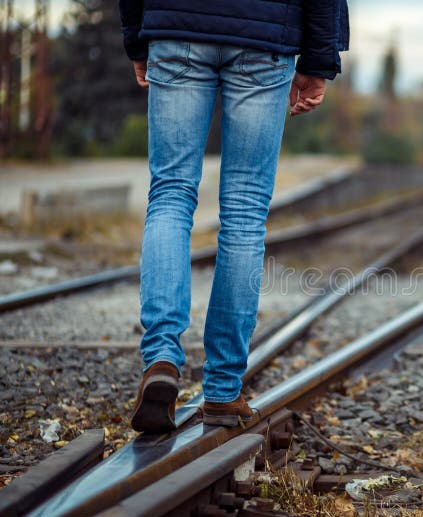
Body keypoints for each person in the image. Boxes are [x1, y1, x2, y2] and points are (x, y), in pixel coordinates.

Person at [119, 0, 349, 433]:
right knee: (244, 213)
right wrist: (319, 58)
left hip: (177, 25)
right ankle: (223, 390)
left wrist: (137, 35)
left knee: (170, 194)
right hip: (265, 36)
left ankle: (163, 357)